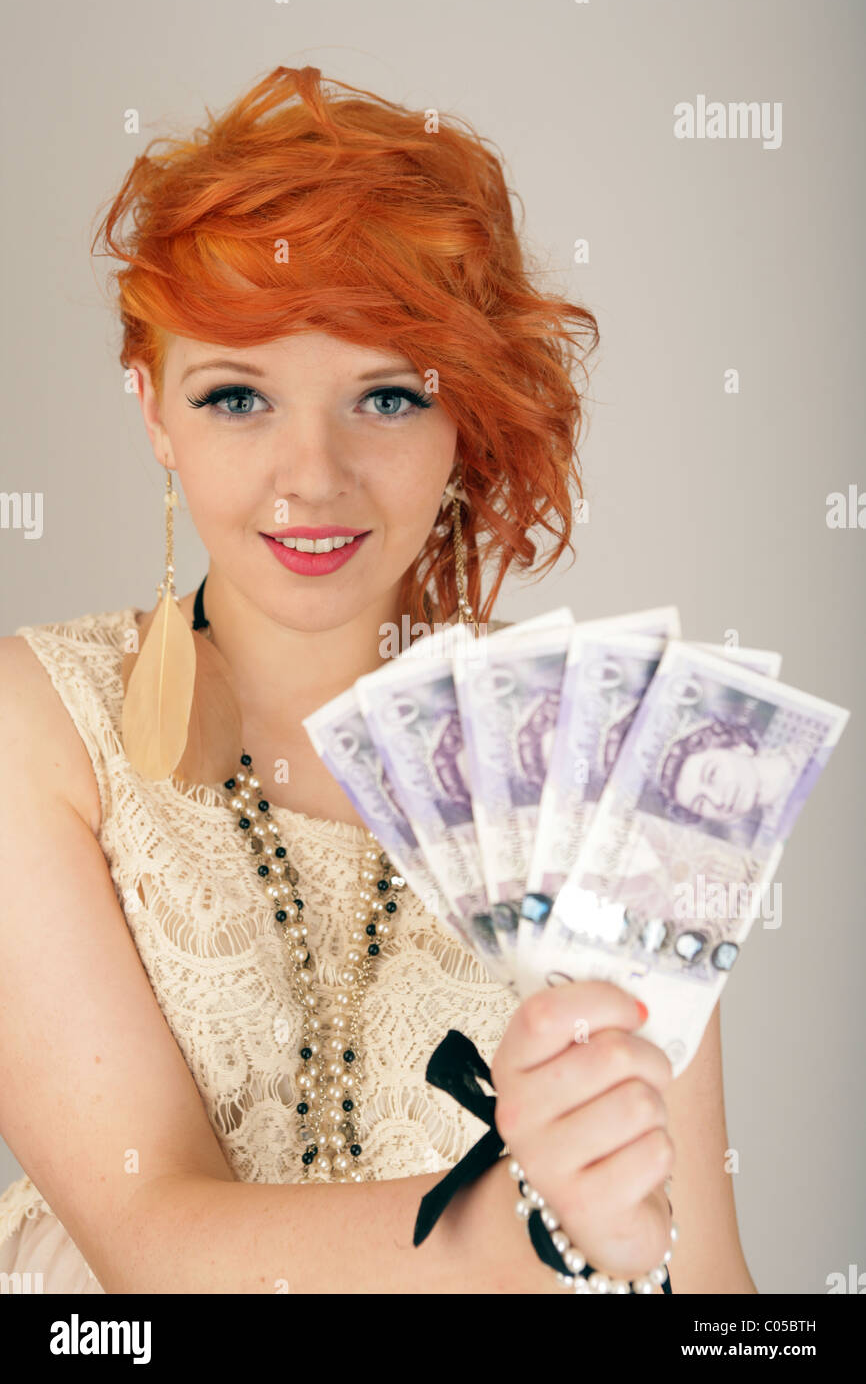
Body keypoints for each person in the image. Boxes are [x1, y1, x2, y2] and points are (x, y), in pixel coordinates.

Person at [0, 65, 755, 1293]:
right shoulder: (35, 728)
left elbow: (712, 1293)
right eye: (235, 395)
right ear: (150, 406)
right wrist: (537, 1226)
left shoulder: (602, 774)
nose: (312, 475)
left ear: (464, 417)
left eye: (387, 395)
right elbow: (153, 1243)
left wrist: (642, 1257)